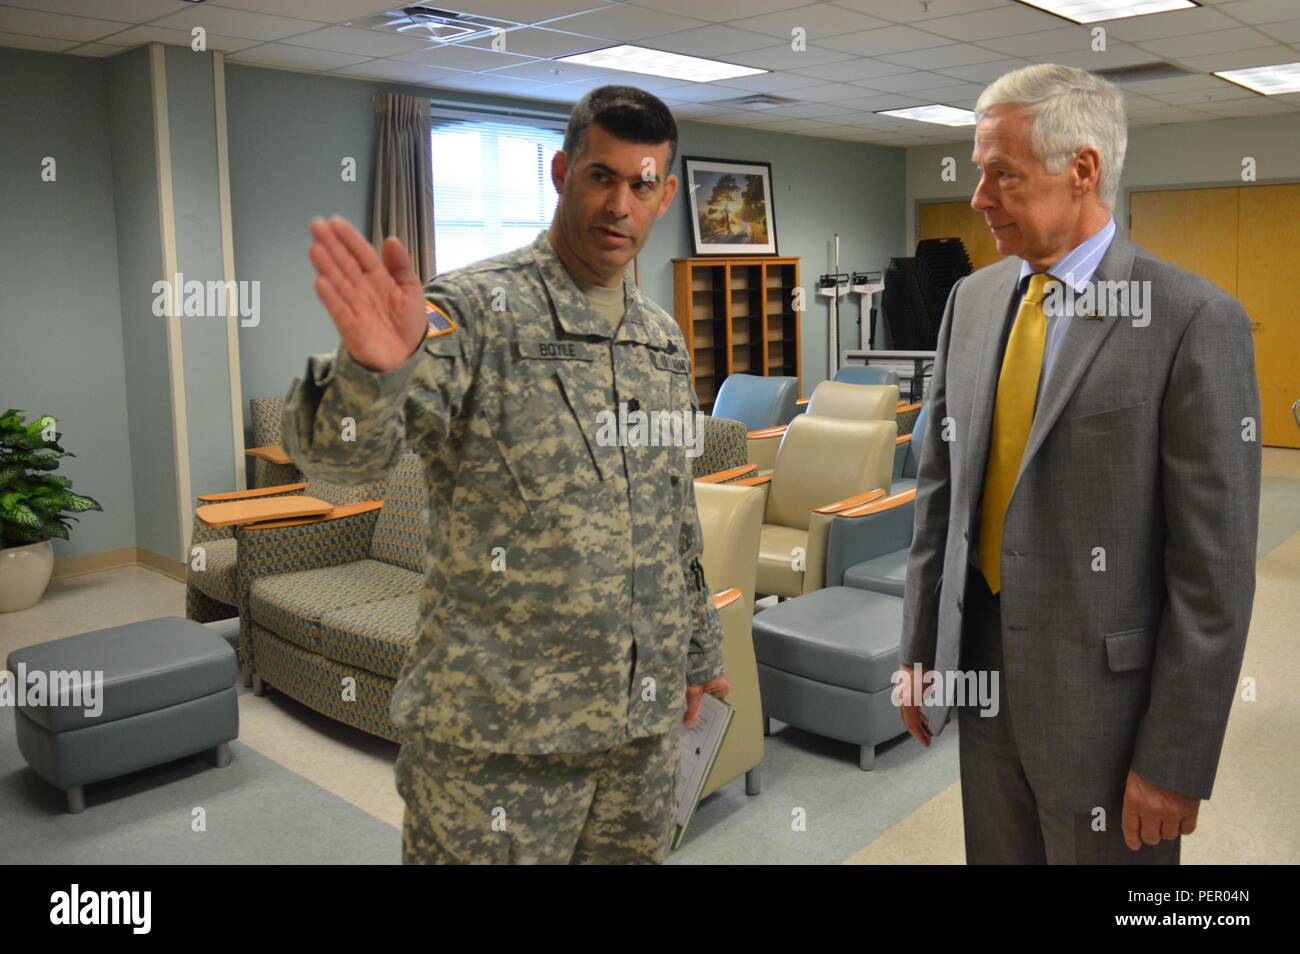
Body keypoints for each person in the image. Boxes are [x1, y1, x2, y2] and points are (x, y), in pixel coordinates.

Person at [282, 85, 730, 864]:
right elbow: (339, 459)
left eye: (642, 183)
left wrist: (698, 650)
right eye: (601, 176)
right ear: (561, 172)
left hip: (639, 735)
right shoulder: (473, 311)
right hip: (499, 747)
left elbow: (673, 518)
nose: (619, 204)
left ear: (663, 196)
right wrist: (369, 372)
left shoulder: (660, 339)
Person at [896, 64, 1260, 864]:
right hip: (984, 679)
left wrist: (1175, 760)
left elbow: (1215, 575)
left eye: (1003, 174)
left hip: (1111, 708)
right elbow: (939, 498)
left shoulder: (1192, 320)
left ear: (1082, 170)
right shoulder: (974, 301)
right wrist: (923, 655)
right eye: (977, 171)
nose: (979, 198)